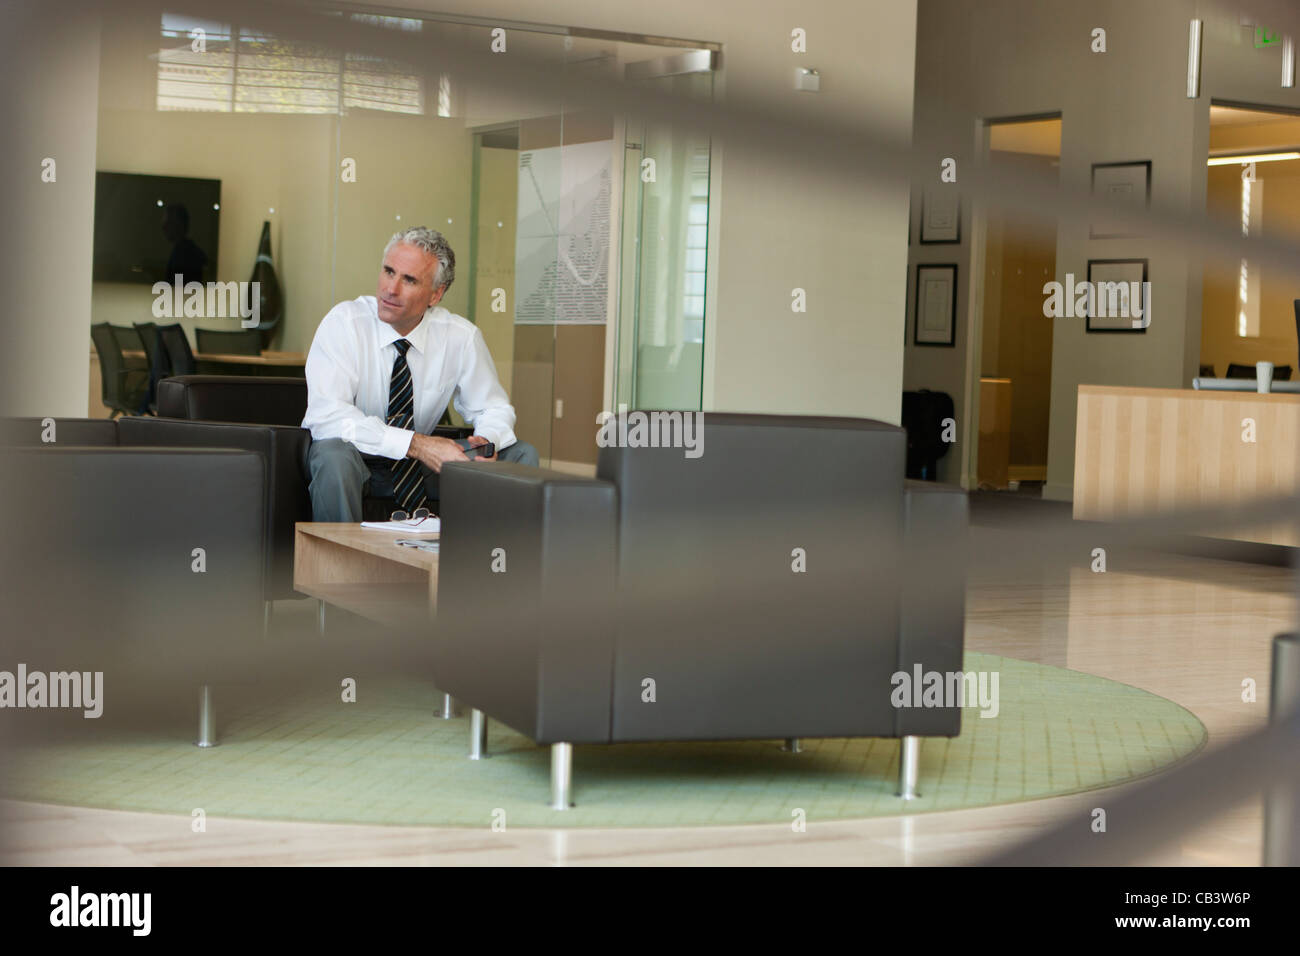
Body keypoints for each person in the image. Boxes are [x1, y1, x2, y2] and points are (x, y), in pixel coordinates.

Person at [302, 226, 538, 522]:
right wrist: (417, 444)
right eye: (389, 272)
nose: (391, 289)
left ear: (436, 294)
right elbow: (327, 417)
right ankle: (337, 565)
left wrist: (485, 441)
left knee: (520, 455)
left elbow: (494, 408)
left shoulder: (460, 336)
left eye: (409, 280)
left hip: (421, 469)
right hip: (357, 459)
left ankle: (495, 563)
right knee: (333, 455)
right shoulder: (345, 323)